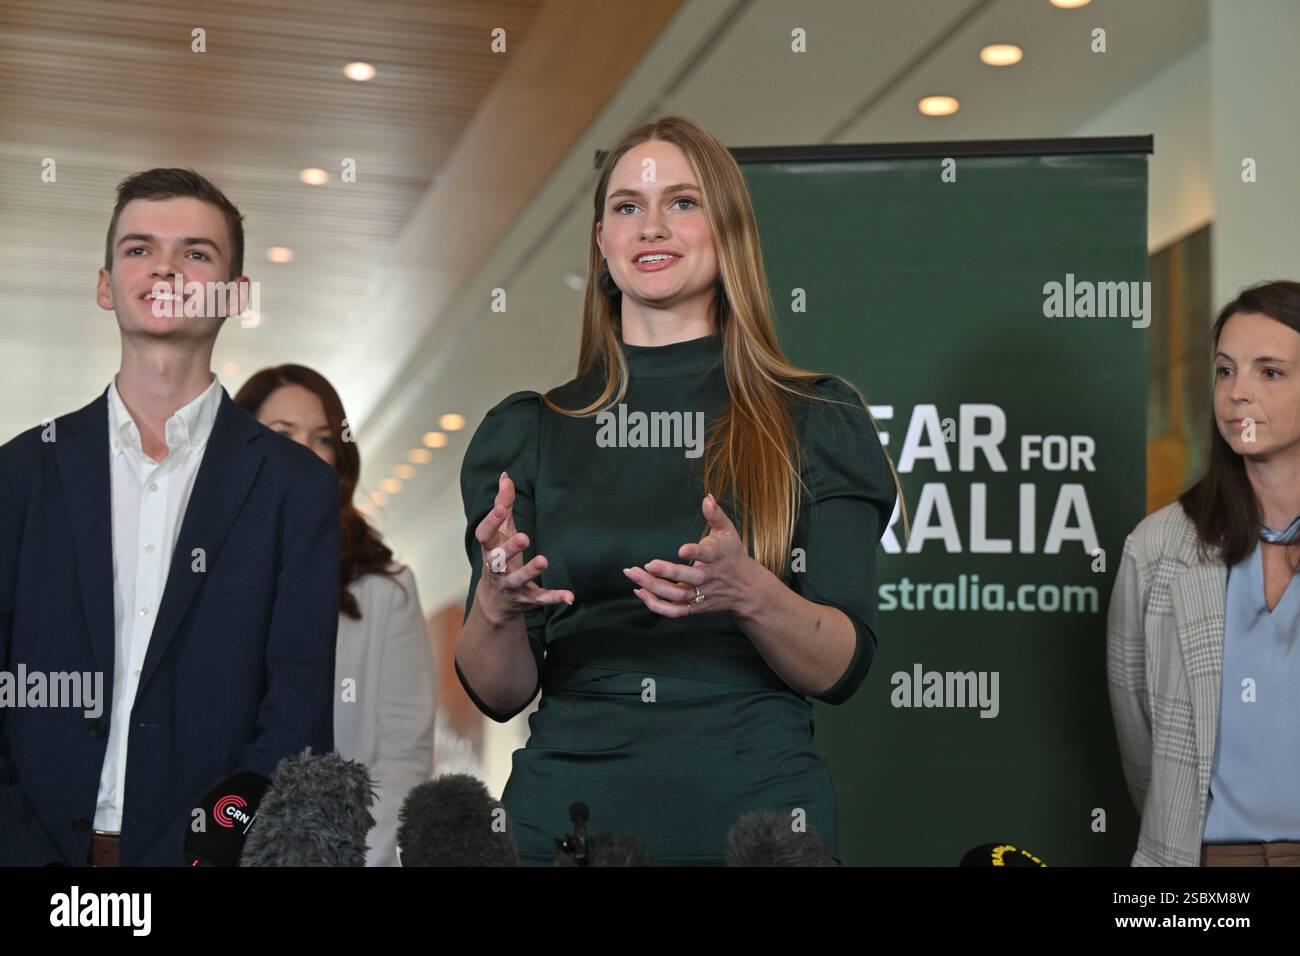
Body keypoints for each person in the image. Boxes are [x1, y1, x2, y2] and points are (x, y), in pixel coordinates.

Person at [455, 115, 904, 865]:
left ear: (729, 231)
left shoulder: (817, 418)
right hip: (566, 815)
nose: (652, 226)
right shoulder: (529, 431)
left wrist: (749, 592)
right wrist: (496, 606)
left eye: (683, 202)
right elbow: (498, 694)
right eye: (627, 206)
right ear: (602, 243)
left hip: (757, 818)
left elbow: (840, 669)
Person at [0, 168, 340, 866]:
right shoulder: (21, 474)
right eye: (139, 248)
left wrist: (199, 851)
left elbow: (297, 717)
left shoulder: (295, 488)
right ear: (106, 285)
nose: (164, 267)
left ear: (235, 295)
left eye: (195, 252)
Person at [1108, 279, 1300, 867]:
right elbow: (1142, 748)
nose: (1237, 393)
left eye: (1270, 372)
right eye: (1224, 371)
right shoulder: (1158, 547)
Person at [235, 365, 436, 867]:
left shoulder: (385, 589)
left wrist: (343, 856)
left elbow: (403, 759)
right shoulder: (202, 572)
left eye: (322, 438)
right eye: (282, 434)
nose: (304, 451)